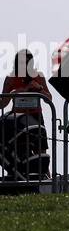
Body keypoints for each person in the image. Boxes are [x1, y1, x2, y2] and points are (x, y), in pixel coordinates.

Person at [0, 50, 52, 179]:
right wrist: (15, 92)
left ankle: (46, 176)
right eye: (23, 61)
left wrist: (39, 88)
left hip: (36, 117)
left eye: (29, 61)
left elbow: (49, 98)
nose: (26, 64)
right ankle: (15, 177)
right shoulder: (11, 78)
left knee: (40, 149)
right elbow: (2, 104)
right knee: (17, 150)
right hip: (17, 120)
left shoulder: (38, 76)